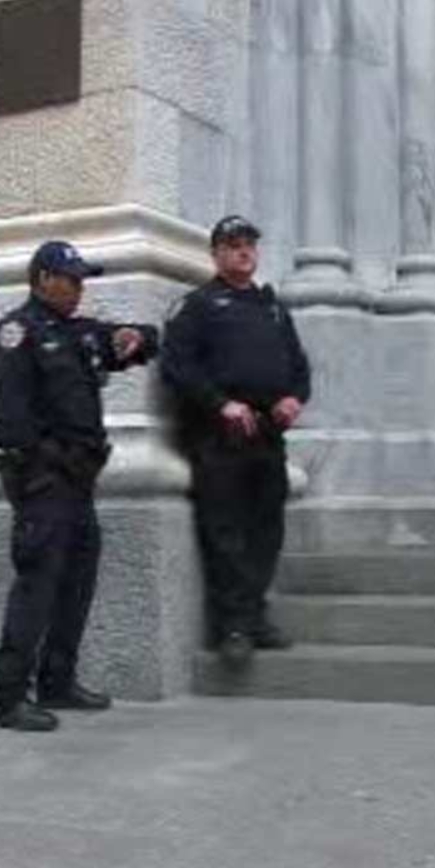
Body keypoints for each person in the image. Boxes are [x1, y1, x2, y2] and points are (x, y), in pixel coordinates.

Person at [0, 240, 159, 731]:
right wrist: (45, 468)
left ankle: (57, 682)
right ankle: (7, 698)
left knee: (77, 582)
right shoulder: (17, 333)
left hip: (79, 484)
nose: (80, 288)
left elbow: (146, 342)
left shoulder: (78, 333)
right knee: (37, 586)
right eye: (72, 279)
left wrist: (134, 337)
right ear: (43, 279)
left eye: (82, 280)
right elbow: (8, 417)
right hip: (45, 483)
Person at [162, 215, 311, 664]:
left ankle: (254, 615)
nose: (244, 251)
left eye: (249, 244)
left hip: (267, 435)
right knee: (225, 532)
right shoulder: (198, 306)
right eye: (233, 245)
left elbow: (299, 367)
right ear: (216, 255)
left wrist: (294, 398)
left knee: (265, 531)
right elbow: (178, 367)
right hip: (220, 437)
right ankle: (232, 626)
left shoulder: (273, 309)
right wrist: (220, 404)